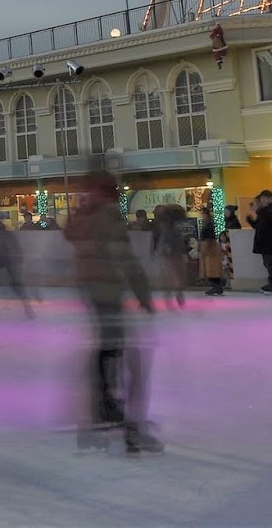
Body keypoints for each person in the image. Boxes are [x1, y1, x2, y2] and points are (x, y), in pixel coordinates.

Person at [64, 171, 162, 455]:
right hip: (108, 291)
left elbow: (71, 236)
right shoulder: (107, 215)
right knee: (130, 358)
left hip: (90, 291)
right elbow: (125, 257)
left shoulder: (82, 216)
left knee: (107, 350)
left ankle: (102, 409)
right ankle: (125, 422)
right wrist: (144, 294)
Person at [0, 214, 34, 318]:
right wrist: (19, 258)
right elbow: (14, 245)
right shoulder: (0, 233)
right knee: (14, 283)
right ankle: (26, 307)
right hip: (5, 258)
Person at [150, 205, 189, 309]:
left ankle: (170, 295)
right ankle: (176, 294)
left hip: (168, 250)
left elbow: (158, 238)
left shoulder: (163, 225)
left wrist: (155, 250)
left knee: (170, 274)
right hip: (173, 250)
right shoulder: (172, 225)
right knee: (177, 273)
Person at [246, 190, 272, 293]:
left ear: (270, 199)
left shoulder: (271, 210)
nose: (262, 200)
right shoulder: (265, 211)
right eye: (261, 198)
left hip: (270, 242)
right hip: (265, 242)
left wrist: (257, 211)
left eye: (263, 198)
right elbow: (258, 225)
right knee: (268, 263)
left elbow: (265, 223)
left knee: (270, 264)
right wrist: (250, 219)